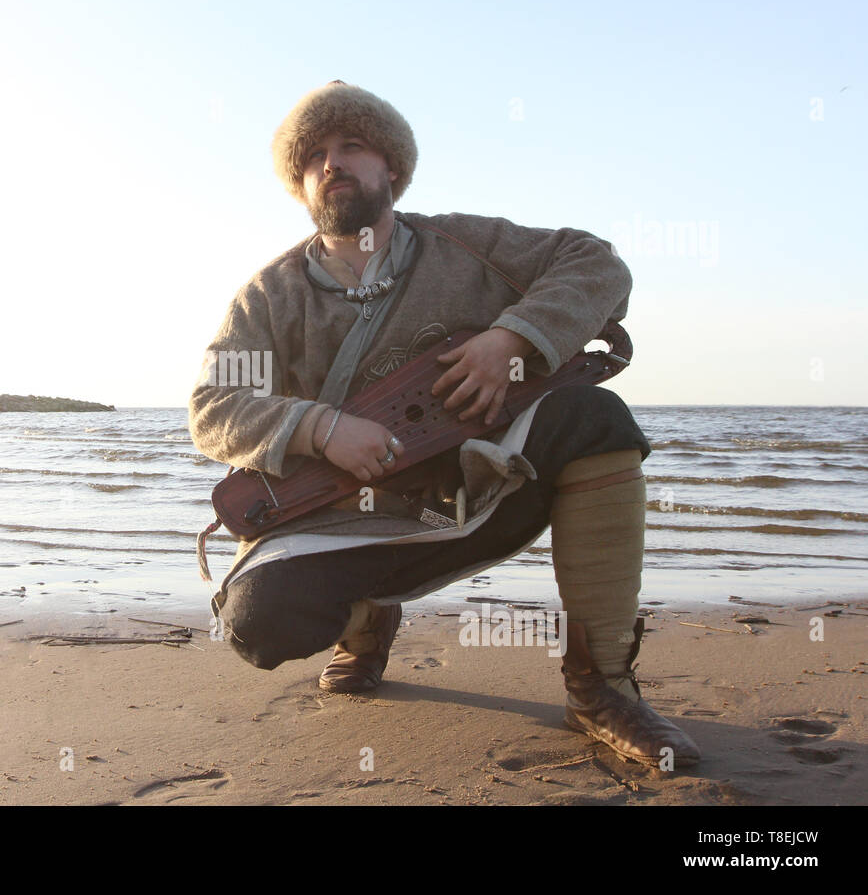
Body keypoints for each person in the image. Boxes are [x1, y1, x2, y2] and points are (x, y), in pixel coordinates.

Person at [188, 81, 701, 769]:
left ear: (391, 168)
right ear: (300, 183)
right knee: (257, 627)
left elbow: (596, 263)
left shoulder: (468, 245)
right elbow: (213, 408)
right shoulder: (267, 297)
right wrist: (320, 428)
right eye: (313, 156)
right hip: (342, 521)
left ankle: (600, 687)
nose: (331, 163)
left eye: (352, 145)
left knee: (594, 417)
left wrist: (513, 339)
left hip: (479, 492)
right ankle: (365, 625)